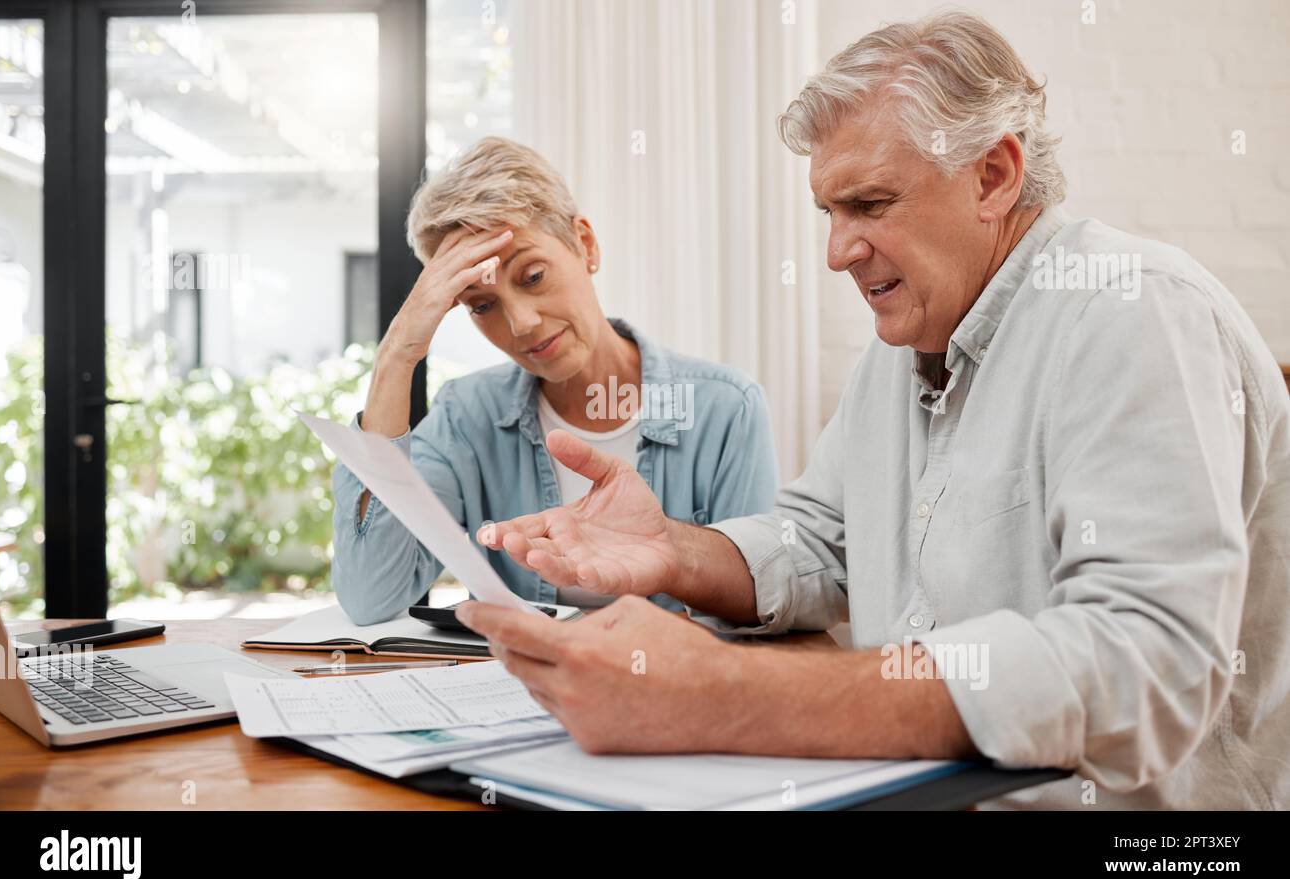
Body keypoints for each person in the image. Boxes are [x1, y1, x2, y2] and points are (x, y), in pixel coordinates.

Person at [457, 12, 1290, 810]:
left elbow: (1145, 666)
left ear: (993, 177)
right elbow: (821, 543)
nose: (835, 252)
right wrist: (671, 548)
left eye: (871, 205)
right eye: (830, 211)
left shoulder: (1134, 315)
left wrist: (731, 694)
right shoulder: (903, 345)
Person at [332, 137, 778, 625]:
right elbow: (370, 595)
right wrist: (398, 355)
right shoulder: (467, 415)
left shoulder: (724, 408)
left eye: (533, 276)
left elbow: (748, 610)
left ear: (584, 244)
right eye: (481, 305)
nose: (521, 323)